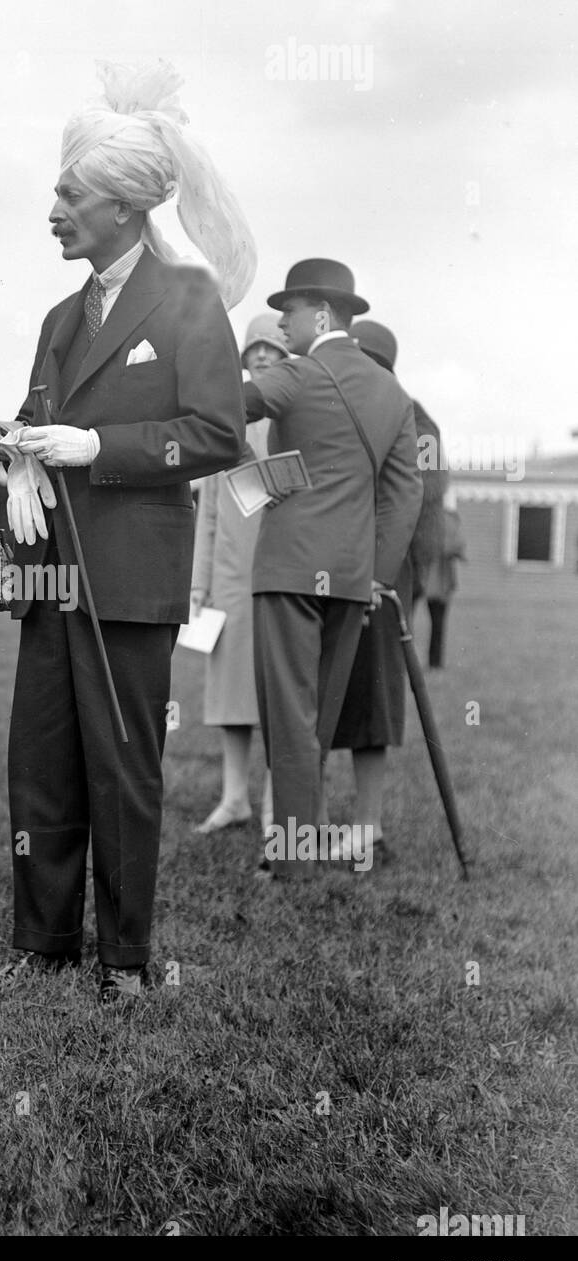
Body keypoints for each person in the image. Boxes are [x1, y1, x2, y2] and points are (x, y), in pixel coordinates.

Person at [0, 61, 252, 1003]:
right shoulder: (60, 316)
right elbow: (38, 417)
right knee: (40, 761)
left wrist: (96, 443)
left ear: (124, 208)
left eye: (69, 193)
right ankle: (40, 942)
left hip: (130, 580)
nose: (52, 209)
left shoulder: (186, 300)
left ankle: (125, 958)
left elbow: (217, 435)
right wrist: (6, 442)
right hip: (50, 577)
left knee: (124, 770)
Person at [244, 260, 423, 878]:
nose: (281, 323)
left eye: (288, 312)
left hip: (289, 567)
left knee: (289, 715)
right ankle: (300, 840)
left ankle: (291, 859)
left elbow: (226, 407)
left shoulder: (297, 374)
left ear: (320, 314)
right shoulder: (393, 393)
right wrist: (376, 574)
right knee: (316, 717)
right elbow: (406, 495)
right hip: (351, 578)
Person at [327, 320, 447, 860]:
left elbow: (420, 504)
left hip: (382, 576)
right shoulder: (341, 409)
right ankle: (303, 820)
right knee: (323, 695)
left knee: (372, 697)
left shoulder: (414, 420)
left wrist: (395, 576)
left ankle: (368, 823)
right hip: (327, 569)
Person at [190, 314, 286, 834]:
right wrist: (198, 584)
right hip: (227, 579)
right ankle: (234, 797)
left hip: (274, 573)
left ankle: (276, 804)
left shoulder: (289, 417)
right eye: (256, 350)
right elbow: (207, 514)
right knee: (229, 695)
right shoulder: (225, 419)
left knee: (275, 693)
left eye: (274, 349)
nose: (264, 358)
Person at [424, 500, 466, 670]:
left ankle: (434, 662)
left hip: (434, 580)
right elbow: (457, 546)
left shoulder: (431, 519)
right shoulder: (450, 519)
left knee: (436, 622)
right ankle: (435, 662)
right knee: (438, 622)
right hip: (438, 581)